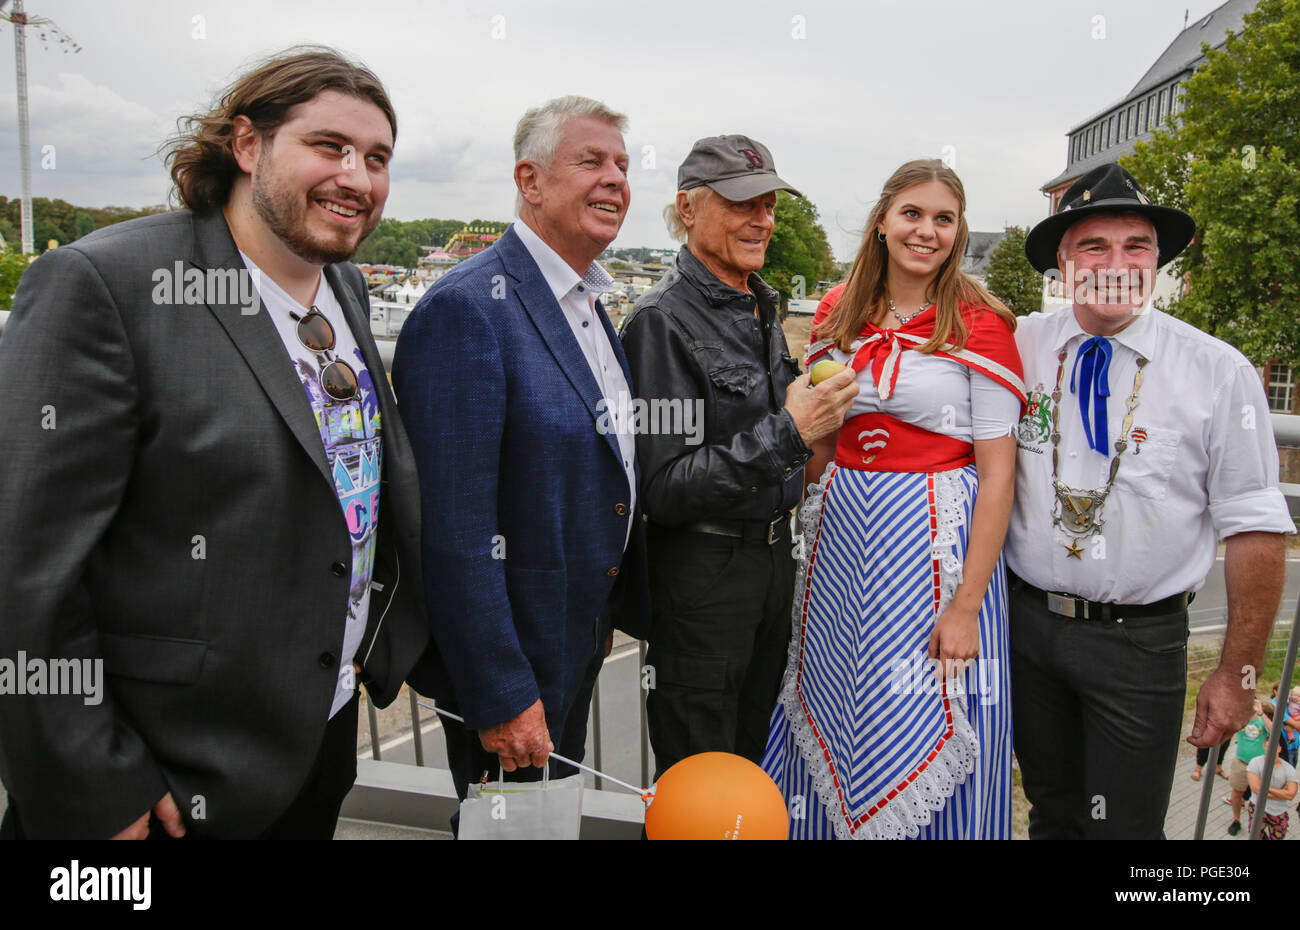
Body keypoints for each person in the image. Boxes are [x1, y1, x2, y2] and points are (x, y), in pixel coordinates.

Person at [0, 48, 429, 839]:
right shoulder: (107, 284)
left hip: (313, 740)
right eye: (328, 147)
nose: (358, 179)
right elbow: (24, 567)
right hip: (160, 775)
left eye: (376, 159)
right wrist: (92, 781)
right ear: (246, 144)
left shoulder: (346, 287)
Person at [1007, 162, 1294, 840]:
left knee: (1126, 833)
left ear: (1158, 259)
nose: (1117, 264)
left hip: (1138, 645)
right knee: (1053, 815)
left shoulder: (1217, 371)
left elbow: (1256, 527)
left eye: (1136, 246)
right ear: (1062, 262)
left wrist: (1237, 675)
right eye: (1093, 247)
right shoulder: (1017, 344)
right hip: (1025, 632)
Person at [395, 97, 650, 809]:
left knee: (548, 825)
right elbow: (451, 531)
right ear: (530, 181)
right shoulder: (467, 309)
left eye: (623, 167)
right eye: (590, 161)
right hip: (513, 672)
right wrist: (501, 692)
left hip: (572, 642)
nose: (615, 180)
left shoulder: (589, 306)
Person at [762, 159, 1026, 839]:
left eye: (944, 218)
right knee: (831, 699)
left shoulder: (980, 322)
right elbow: (820, 442)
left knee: (929, 705)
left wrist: (966, 605)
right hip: (842, 546)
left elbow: (999, 475)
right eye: (912, 213)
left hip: (934, 548)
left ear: (959, 232)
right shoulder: (837, 311)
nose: (927, 231)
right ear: (883, 222)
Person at [619, 135, 857, 777]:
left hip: (771, 564)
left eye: (770, 204)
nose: (764, 220)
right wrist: (789, 429)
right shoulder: (660, 321)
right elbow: (662, 487)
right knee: (698, 780)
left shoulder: (758, 304)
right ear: (688, 209)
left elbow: (784, 450)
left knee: (747, 768)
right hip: (702, 578)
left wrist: (821, 430)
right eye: (742, 203)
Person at [1246, 721, 1297, 841]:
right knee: (1255, 836)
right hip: (1257, 807)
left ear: (1279, 749)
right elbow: (1255, 788)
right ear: (1264, 746)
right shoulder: (1255, 762)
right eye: (1268, 747)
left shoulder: (1288, 769)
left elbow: (1291, 795)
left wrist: (1264, 789)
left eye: (1274, 748)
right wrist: (1280, 793)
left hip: (1278, 811)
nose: (1271, 750)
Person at [1226, 699, 1269, 835]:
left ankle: (1259, 826)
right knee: (1236, 793)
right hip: (1241, 763)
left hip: (1260, 765)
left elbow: (1274, 731)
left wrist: (1262, 714)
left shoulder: (1262, 719)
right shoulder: (1240, 719)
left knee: (1260, 797)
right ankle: (1236, 820)